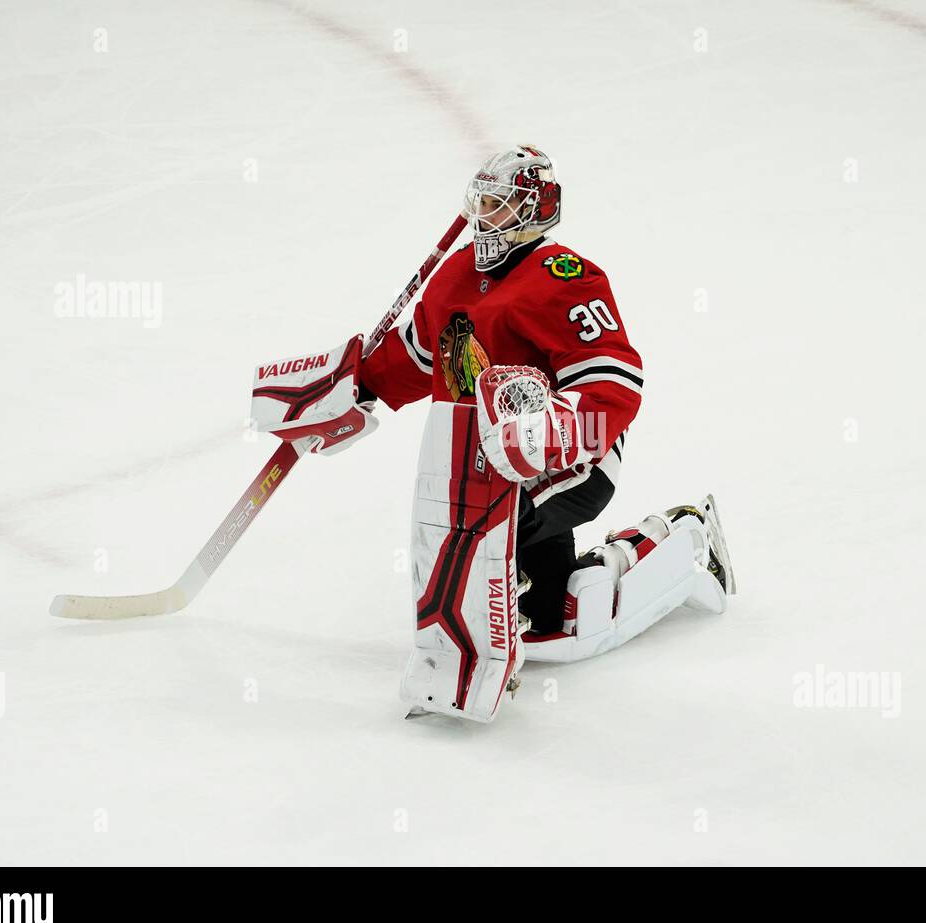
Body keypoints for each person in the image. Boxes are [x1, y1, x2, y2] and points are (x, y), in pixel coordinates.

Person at [256, 145, 735, 721]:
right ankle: (637, 554)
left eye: (498, 205)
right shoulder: (454, 275)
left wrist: (553, 430)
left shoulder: (565, 279)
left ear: (534, 210)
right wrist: (354, 389)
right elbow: (416, 360)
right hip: (479, 463)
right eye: (480, 202)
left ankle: (682, 541)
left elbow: (616, 379)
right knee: (561, 619)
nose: (483, 216)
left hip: (570, 461)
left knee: (494, 525)